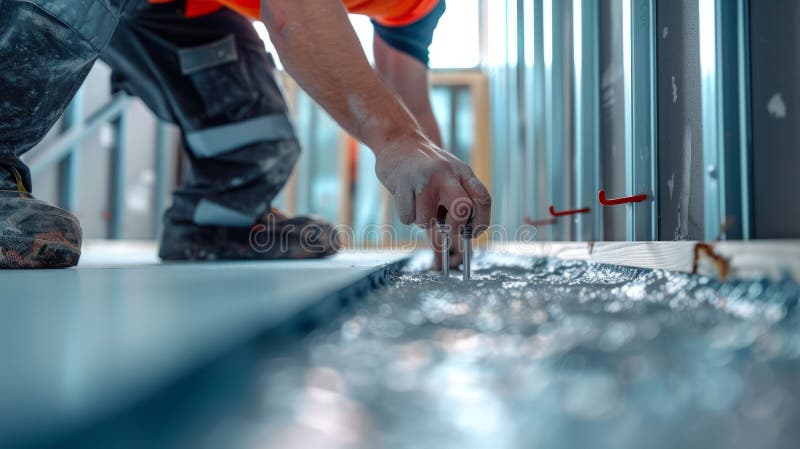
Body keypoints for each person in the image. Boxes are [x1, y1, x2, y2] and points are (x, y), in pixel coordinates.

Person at [0, 0, 491, 269]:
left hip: (175, 9)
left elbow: (411, 103)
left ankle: (217, 226)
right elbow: (291, 14)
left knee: (257, 137)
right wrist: (395, 141)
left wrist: (438, 207)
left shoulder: (418, 6)